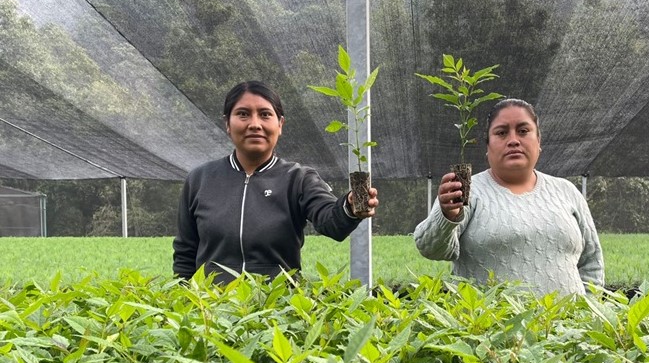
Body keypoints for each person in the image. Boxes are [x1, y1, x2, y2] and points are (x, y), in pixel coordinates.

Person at [173, 80, 378, 283]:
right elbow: (185, 253)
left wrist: (350, 207)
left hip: (278, 308)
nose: (255, 124)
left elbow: (330, 221)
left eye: (265, 114)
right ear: (227, 123)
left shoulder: (298, 179)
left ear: (280, 125)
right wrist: (184, 300)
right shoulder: (200, 179)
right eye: (243, 114)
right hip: (212, 308)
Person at [414, 98, 604, 296]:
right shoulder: (467, 190)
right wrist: (447, 217)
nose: (513, 140)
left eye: (523, 131)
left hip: (569, 325)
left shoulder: (566, 191)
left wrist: (588, 313)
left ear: (538, 141)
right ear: (487, 147)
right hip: (490, 325)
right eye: (501, 132)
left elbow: (592, 262)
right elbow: (430, 248)